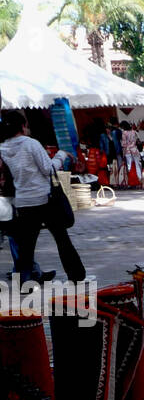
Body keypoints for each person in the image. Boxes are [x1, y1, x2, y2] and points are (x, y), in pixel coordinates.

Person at [0, 110, 86, 282]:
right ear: (22, 126)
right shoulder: (31, 144)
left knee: (26, 245)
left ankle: (24, 281)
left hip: (23, 201)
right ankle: (76, 275)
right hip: (45, 199)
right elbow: (48, 169)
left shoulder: (3, 148)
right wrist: (61, 155)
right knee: (62, 239)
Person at [120, 120, 142, 186]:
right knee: (137, 165)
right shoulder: (134, 132)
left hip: (128, 151)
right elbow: (136, 141)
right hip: (135, 150)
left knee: (129, 166)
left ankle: (131, 181)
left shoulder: (124, 133)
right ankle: (140, 180)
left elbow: (123, 144)